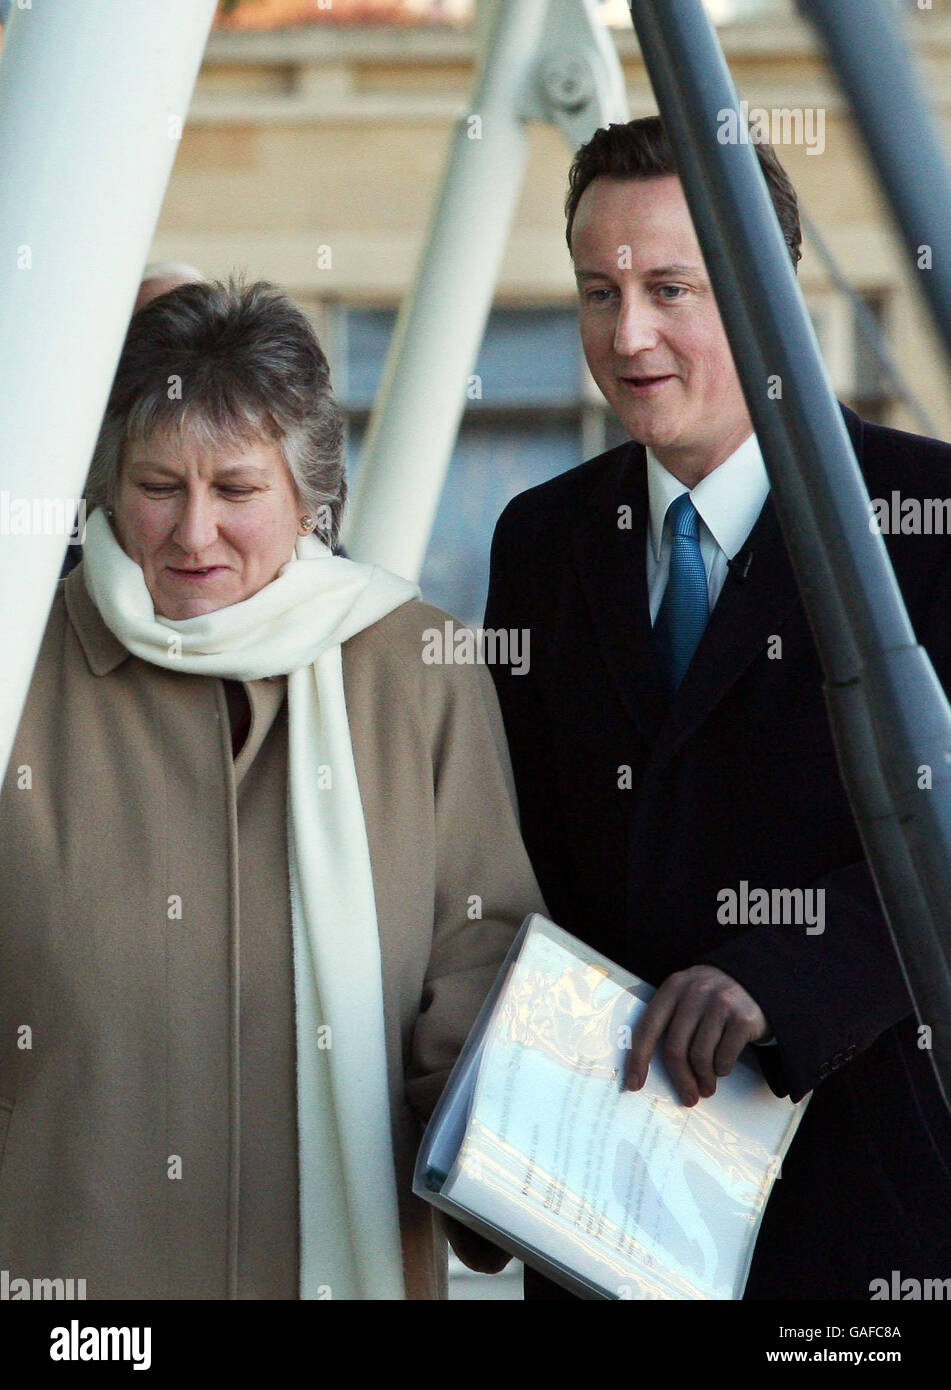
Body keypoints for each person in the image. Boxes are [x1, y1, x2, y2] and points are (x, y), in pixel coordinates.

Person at [0, 277, 543, 1300]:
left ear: (309, 499)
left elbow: (479, 951)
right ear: (110, 488)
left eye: (236, 489)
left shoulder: (416, 664)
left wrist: (501, 1149)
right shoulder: (20, 663)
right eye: (159, 485)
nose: (193, 533)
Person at [485, 116, 951, 1300]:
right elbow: (511, 855)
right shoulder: (542, 540)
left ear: (765, 295)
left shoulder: (931, 516)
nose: (626, 334)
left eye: (669, 289)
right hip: (600, 1213)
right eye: (599, 291)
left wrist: (781, 975)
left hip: (867, 1209)